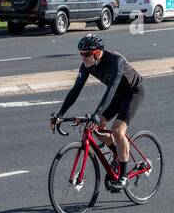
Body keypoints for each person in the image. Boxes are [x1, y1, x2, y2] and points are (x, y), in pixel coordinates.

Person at [50, 34, 145, 192]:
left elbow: (111, 88)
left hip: (133, 93)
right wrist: (60, 114)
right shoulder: (87, 66)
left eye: (87, 54)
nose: (84, 57)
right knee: (96, 128)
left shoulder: (116, 61)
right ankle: (118, 154)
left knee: (117, 130)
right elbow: (75, 90)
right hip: (116, 96)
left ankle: (123, 176)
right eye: (81, 54)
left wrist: (96, 113)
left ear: (98, 51)